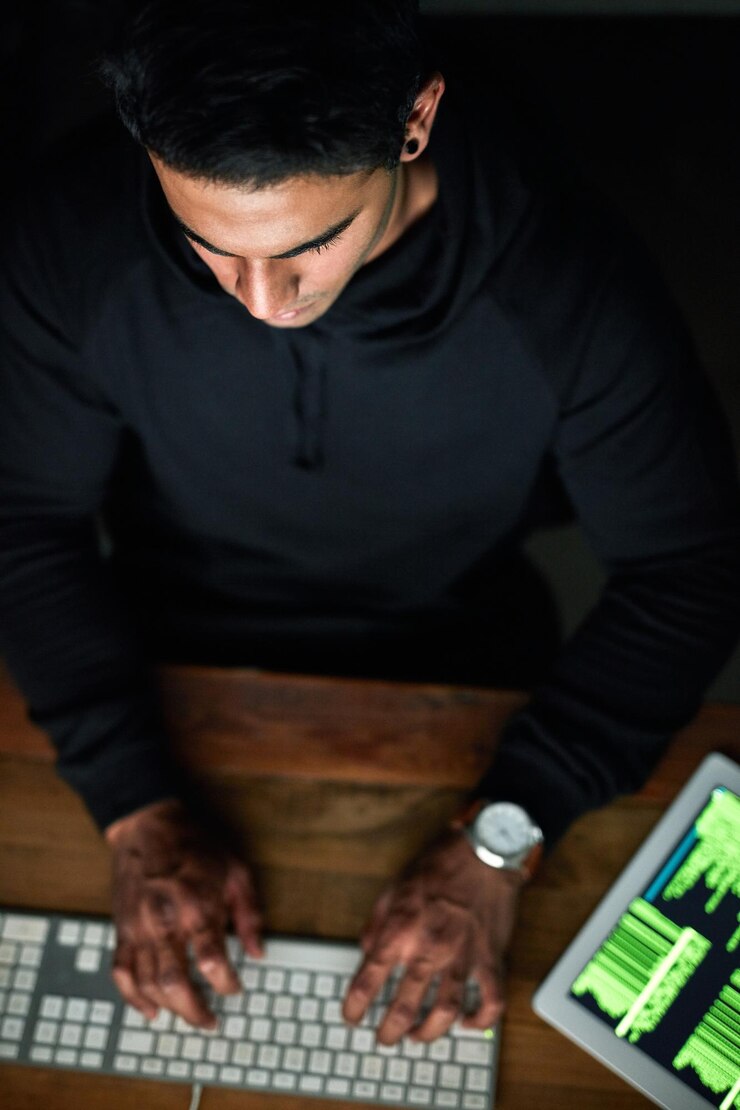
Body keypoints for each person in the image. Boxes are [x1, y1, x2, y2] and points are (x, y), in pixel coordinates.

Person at [2, 0, 740, 1048]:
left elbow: (688, 568)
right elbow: (25, 519)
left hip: (464, 658)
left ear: (413, 120)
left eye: (310, 242)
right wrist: (132, 805)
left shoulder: (566, 284)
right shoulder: (67, 240)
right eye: (208, 245)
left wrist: (499, 841)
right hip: (152, 649)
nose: (261, 300)